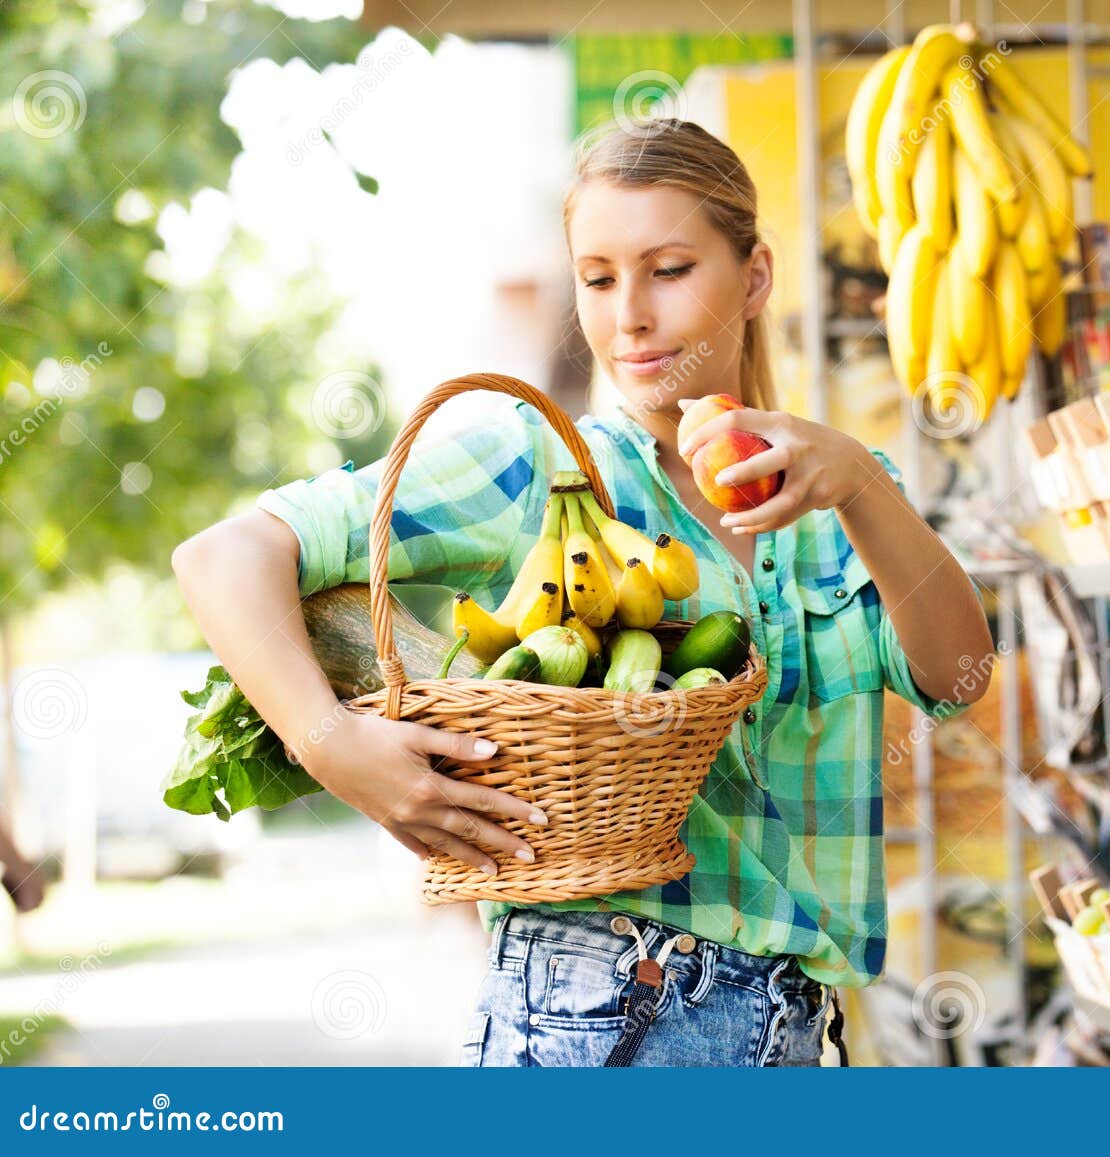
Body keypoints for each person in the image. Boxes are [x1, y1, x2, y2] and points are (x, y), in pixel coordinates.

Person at [171, 118, 994, 1067]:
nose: (629, 316)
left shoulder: (839, 495)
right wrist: (334, 745)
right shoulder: (545, 471)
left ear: (755, 276)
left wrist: (863, 482)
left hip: (790, 1028)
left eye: (670, 269)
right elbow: (225, 556)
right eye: (599, 279)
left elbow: (956, 672)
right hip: (601, 1012)